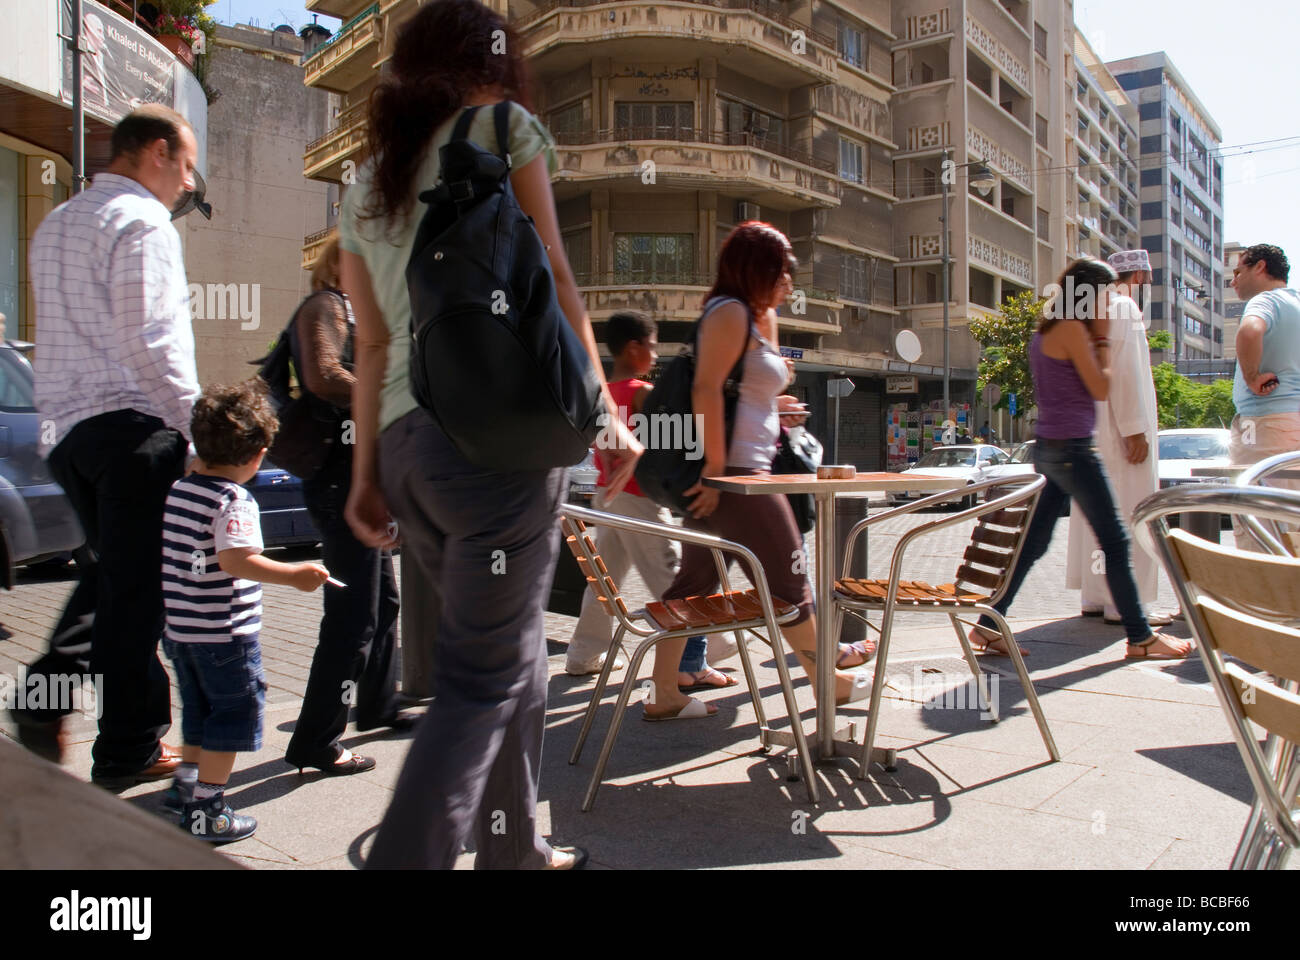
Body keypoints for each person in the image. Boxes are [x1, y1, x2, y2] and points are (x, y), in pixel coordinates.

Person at [337, 0, 641, 870]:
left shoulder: (367, 183)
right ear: (491, 62)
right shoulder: (503, 129)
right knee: (481, 675)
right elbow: (556, 277)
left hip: (408, 457)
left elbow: (371, 344)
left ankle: (515, 848)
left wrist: (366, 476)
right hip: (492, 444)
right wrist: (605, 411)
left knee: (511, 653)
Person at [15, 105, 200, 786]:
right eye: (186, 166)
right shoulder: (143, 221)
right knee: (137, 596)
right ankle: (125, 747)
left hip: (68, 433)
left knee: (111, 581)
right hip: (133, 432)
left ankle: (49, 702)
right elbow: (151, 341)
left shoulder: (58, 222)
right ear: (156, 152)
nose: (187, 184)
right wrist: (196, 427)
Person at [654, 220, 876, 719]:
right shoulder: (730, 312)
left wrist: (777, 406)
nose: (789, 283)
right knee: (791, 578)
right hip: (738, 476)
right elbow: (706, 389)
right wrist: (716, 471)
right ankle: (829, 683)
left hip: (738, 472)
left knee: (693, 585)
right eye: (781, 272)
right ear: (756, 269)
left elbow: (739, 392)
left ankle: (664, 694)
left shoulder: (751, 315)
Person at [969, 258, 1191, 662]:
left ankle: (987, 624)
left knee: (1034, 542)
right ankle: (1140, 637)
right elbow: (1101, 387)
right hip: (1074, 451)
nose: (1109, 301)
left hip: (1050, 449)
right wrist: (1102, 341)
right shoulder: (1073, 331)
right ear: (1088, 294)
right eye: (1105, 294)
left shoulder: (1046, 331)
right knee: (1116, 541)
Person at [161, 381, 329, 843]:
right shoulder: (234, 501)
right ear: (257, 455)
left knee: (199, 713)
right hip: (224, 634)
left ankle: (185, 788)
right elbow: (237, 560)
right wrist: (294, 574)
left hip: (182, 631)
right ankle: (208, 809)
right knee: (232, 716)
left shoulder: (180, 490)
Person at [283, 236, 414, 777]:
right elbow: (323, 374)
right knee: (352, 615)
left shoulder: (346, 308)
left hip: (352, 478)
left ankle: (379, 704)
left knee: (383, 603)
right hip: (339, 481)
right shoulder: (326, 304)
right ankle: (317, 740)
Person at [565, 311, 736, 690]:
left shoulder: (601, 395)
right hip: (639, 497)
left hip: (606, 496)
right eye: (653, 347)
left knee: (603, 583)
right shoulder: (644, 393)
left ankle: (582, 655)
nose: (656, 356)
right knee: (671, 573)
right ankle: (706, 648)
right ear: (634, 348)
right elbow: (670, 443)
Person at [1065, 249, 1170, 625]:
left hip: (1087, 429)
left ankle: (1095, 596)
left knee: (1095, 514)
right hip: (1116, 431)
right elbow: (1126, 374)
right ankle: (1126, 603)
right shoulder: (1123, 308)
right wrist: (1134, 429)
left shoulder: (1081, 311)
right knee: (1130, 513)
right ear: (1138, 276)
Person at [1228, 244, 1300, 546]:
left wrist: (1252, 376)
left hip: (1262, 426)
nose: (1233, 281)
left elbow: (1250, 330)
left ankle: (1259, 580)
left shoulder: (1265, 300)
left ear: (1260, 267)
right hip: (1293, 424)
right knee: (1291, 527)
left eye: (1238, 271)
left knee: (1255, 527)